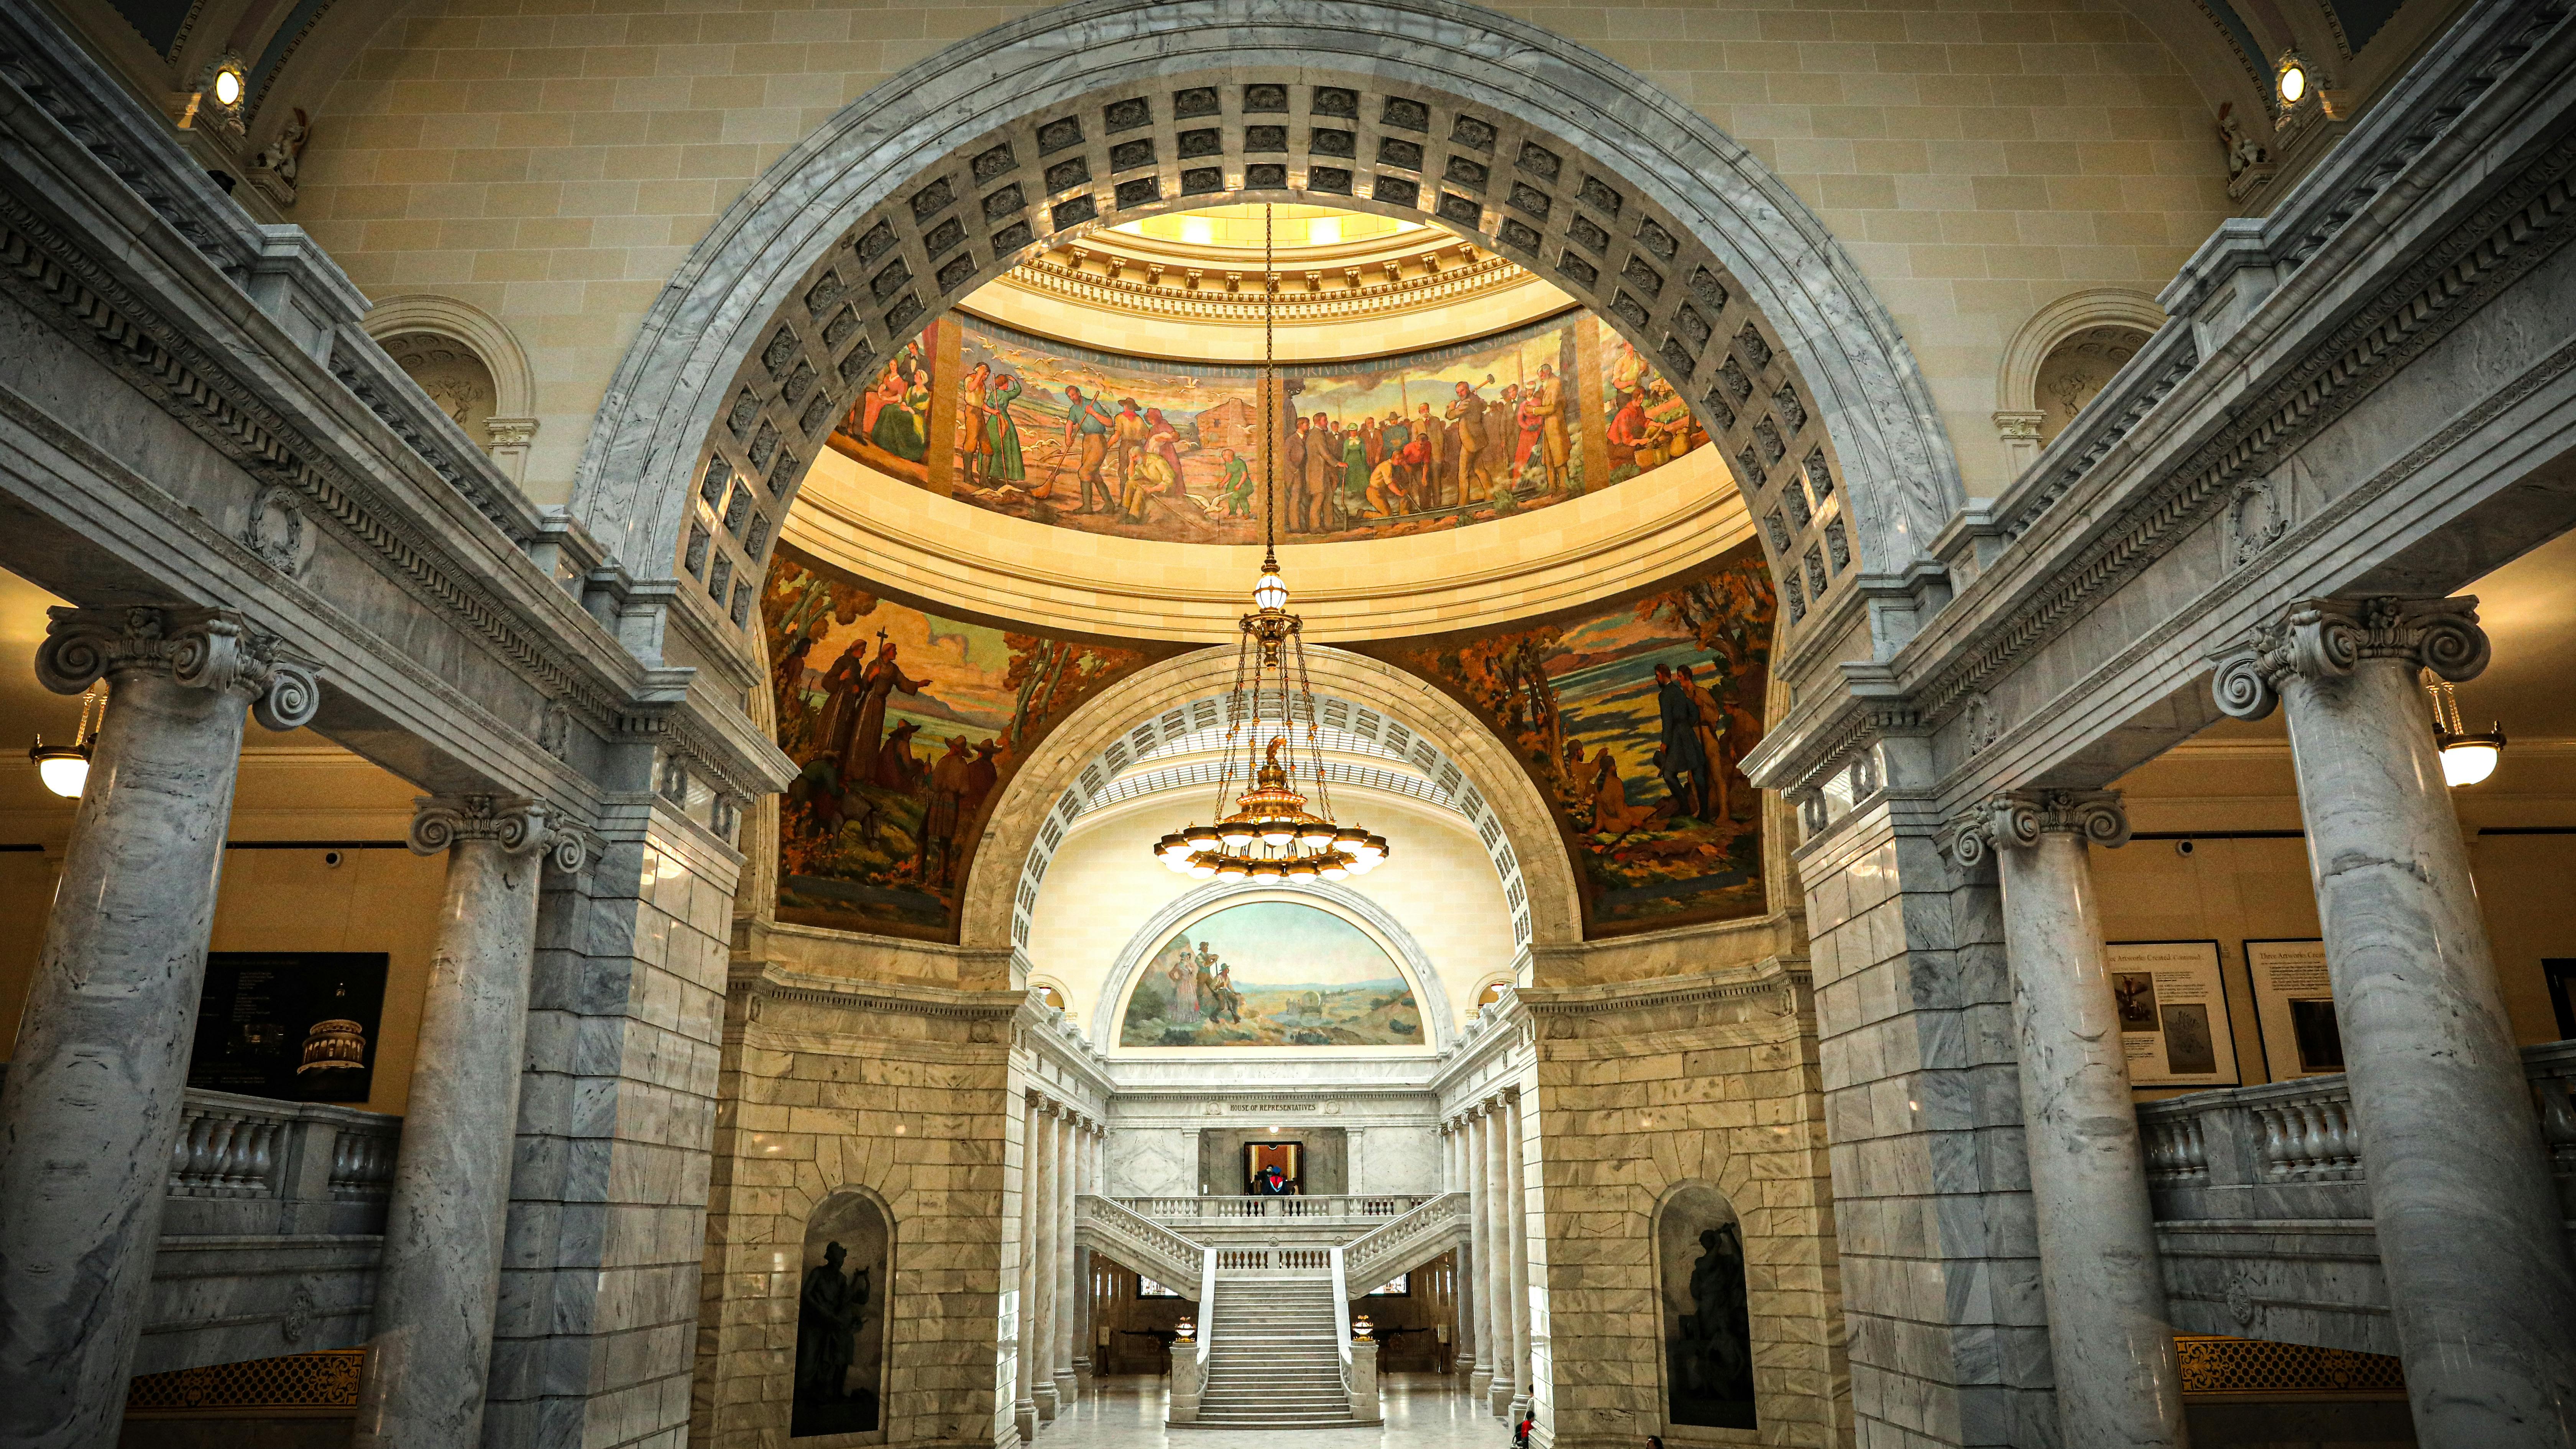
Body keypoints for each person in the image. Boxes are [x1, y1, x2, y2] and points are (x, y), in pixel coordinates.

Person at [1060, 385, 1118, 513]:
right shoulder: (1074, 409)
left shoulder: (1093, 404)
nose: (1072, 398)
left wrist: (1093, 413)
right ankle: (1110, 505)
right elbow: (1070, 423)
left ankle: (1087, 507)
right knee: (1094, 475)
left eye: (1074, 395)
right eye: (1069, 397)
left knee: (1084, 472)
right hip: (1087, 441)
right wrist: (1068, 438)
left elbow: (1110, 423)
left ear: (1079, 393)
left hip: (1098, 441)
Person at [981, 373, 1026, 487]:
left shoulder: (994, 393)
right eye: (1007, 384)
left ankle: (993, 476)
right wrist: (1014, 380)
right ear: (1004, 384)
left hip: (993, 420)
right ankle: (995, 476)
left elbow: (989, 405)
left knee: (994, 446)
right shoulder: (1006, 395)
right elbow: (1017, 391)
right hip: (1003, 419)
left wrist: (994, 409)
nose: (1008, 386)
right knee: (1004, 447)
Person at [956, 361, 992, 488]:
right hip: (971, 412)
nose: (986, 377)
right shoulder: (970, 379)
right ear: (980, 371)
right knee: (971, 443)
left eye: (987, 374)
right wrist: (979, 374)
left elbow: (981, 403)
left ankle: (984, 480)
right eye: (985, 373)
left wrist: (993, 411)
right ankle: (968, 478)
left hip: (979, 412)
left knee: (987, 448)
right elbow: (971, 388)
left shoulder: (982, 385)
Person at [1217, 447, 1254, 516]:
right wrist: (1222, 483)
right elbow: (1229, 475)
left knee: (1241, 496)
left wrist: (1239, 485)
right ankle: (1233, 513)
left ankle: (1246, 513)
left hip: (1244, 482)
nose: (1227, 460)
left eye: (1228, 459)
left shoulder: (1240, 463)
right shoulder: (1228, 464)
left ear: (1232, 456)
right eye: (1225, 459)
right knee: (1231, 496)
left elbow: (1245, 475)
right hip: (1234, 481)